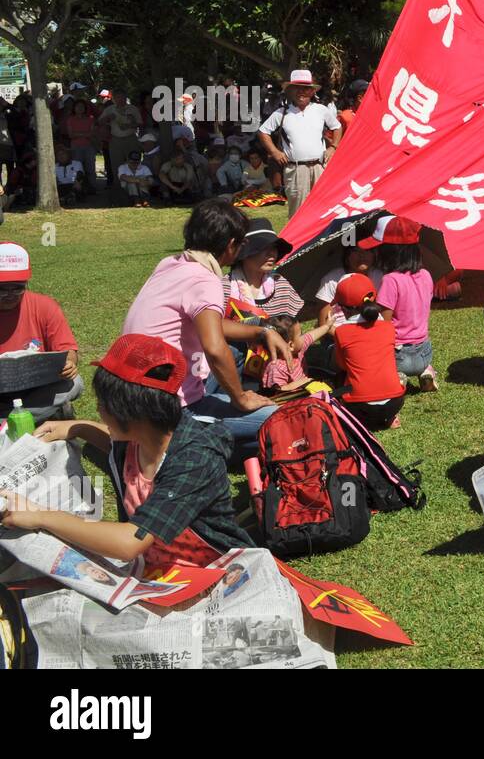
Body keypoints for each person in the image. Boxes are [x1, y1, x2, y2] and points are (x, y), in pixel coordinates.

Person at [4, 334, 254, 569]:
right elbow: (113, 441)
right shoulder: (140, 436)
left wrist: (39, 515)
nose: (99, 410)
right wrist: (77, 426)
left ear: (131, 412)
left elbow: (130, 542)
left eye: (103, 404)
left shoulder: (195, 459)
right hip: (152, 568)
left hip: (212, 569)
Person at [121, 200, 290, 457]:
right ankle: (184, 442)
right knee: (281, 422)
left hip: (132, 396)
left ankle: (194, 441)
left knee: (234, 350)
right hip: (168, 406)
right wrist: (241, 398)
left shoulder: (170, 263)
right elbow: (213, 347)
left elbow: (211, 326)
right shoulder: (205, 279)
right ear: (232, 245)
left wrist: (261, 331)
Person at [0, 242, 83, 424]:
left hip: (38, 388)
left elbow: (68, 349)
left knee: (74, 382)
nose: (9, 295)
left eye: (17, 288)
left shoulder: (44, 306)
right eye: (1, 289)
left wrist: (69, 363)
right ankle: (31, 416)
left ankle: (8, 422)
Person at [362, 215, 438, 392]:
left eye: (377, 248)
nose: (373, 253)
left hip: (399, 355)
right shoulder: (426, 275)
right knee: (419, 358)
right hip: (424, 351)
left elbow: (385, 325)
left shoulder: (390, 280)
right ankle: (425, 370)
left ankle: (397, 375)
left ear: (389, 251)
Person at [257, 69, 340, 216]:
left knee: (323, 209)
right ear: (290, 91)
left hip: (320, 167)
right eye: (297, 88)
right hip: (295, 170)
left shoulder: (321, 110)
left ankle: (320, 238)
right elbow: (263, 131)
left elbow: (337, 127)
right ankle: (297, 240)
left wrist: (333, 147)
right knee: (297, 213)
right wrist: (275, 152)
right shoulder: (281, 113)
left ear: (312, 91)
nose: (301, 92)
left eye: (306, 88)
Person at [332, 273, 405, 430]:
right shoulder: (388, 327)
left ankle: (356, 420)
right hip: (395, 403)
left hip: (359, 407)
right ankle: (389, 418)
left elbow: (342, 366)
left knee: (339, 377)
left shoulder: (342, 332)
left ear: (343, 308)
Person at [223, 219, 304, 318]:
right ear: (245, 253)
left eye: (274, 247)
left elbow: (294, 329)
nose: (272, 253)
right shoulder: (225, 289)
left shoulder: (281, 286)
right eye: (264, 248)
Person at [99, 90, 143, 186]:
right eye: (118, 97)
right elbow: (99, 122)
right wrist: (107, 118)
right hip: (115, 140)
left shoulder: (133, 109)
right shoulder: (109, 109)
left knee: (133, 162)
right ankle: (119, 188)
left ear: (125, 97)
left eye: (122, 97)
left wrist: (131, 124)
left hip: (131, 138)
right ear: (114, 99)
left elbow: (140, 124)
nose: (120, 99)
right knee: (116, 165)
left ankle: (135, 187)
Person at [63, 99, 98, 188]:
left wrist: (78, 134)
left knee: (90, 168)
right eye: (78, 106)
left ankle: (92, 187)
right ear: (74, 108)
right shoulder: (70, 119)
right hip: (76, 147)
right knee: (77, 168)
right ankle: (78, 187)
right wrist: (85, 134)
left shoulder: (90, 119)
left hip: (89, 146)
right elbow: (71, 135)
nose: (80, 108)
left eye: (82, 107)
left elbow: (92, 134)